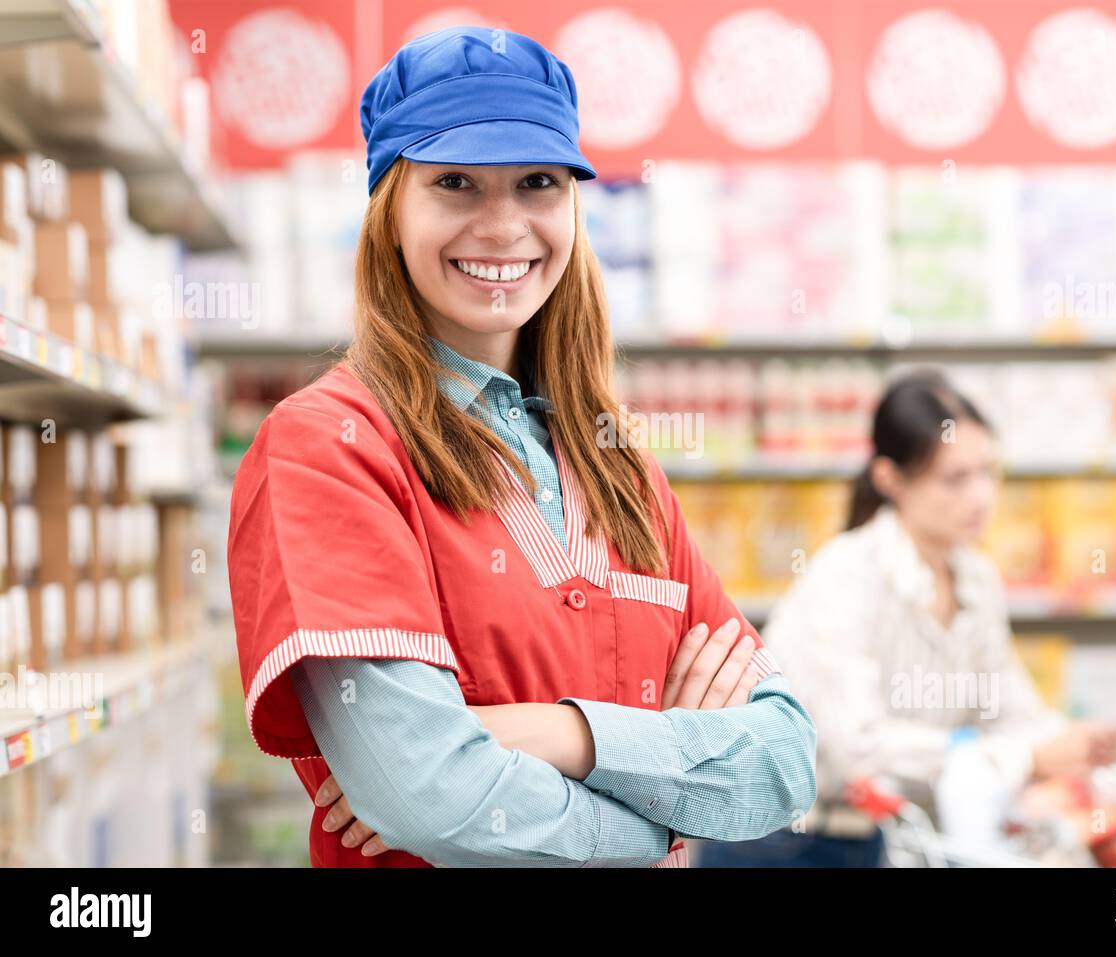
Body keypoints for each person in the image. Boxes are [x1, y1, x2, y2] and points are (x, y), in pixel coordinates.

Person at [226, 26, 817, 868]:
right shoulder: (330, 447)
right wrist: (672, 813)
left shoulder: (621, 469)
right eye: (455, 183)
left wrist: (554, 732)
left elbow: (785, 760)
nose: (503, 226)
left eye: (538, 182)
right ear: (390, 210)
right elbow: (431, 795)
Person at [695, 369, 1116, 867]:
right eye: (956, 478)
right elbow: (859, 749)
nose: (982, 496)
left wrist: (1070, 742)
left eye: (989, 471)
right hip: (785, 845)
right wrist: (1021, 759)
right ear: (889, 479)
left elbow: (1007, 707)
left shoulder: (976, 578)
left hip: (889, 839)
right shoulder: (846, 576)